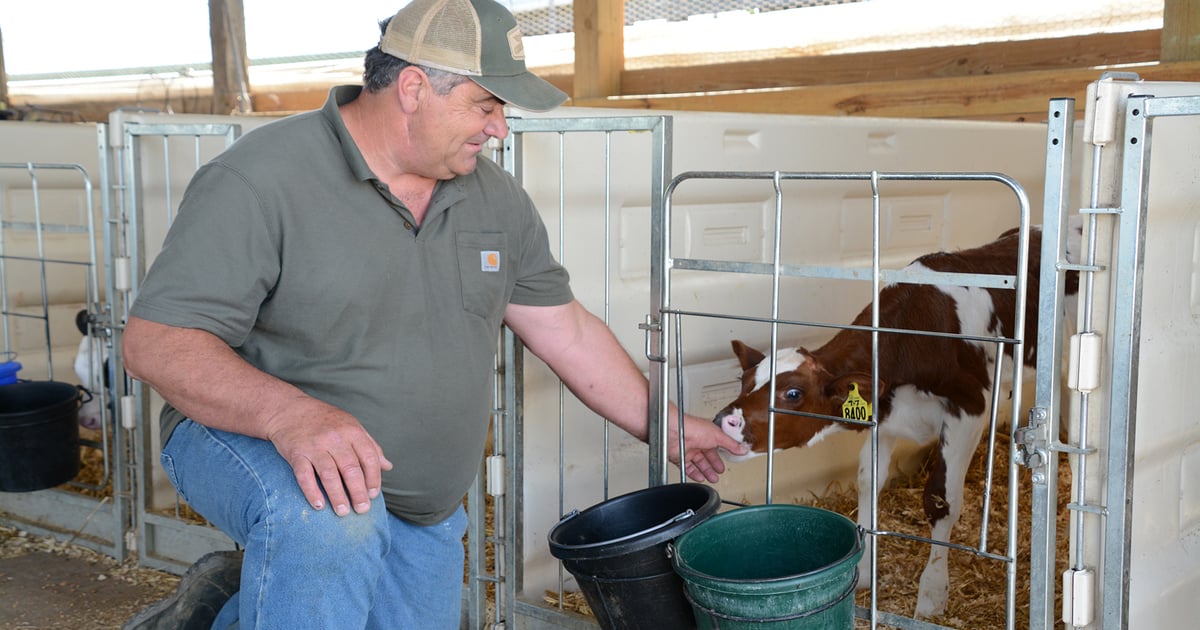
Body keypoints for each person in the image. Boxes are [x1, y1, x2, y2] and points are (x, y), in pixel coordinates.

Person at [120, 0, 746, 628]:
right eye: (486, 105)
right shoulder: (259, 180)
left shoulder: (494, 198)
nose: (499, 128)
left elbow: (566, 329)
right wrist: (293, 415)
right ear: (414, 87)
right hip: (253, 441)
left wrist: (661, 425)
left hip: (422, 502)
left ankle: (213, 618)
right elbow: (157, 343)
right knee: (328, 523)